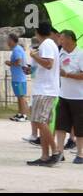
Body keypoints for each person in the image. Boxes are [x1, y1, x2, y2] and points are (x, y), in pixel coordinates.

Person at [26, 23, 61, 165]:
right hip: (47, 89)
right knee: (43, 122)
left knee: (40, 121)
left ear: (37, 32)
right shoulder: (50, 44)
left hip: (44, 90)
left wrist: (34, 56)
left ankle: (56, 151)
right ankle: (45, 155)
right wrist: (30, 68)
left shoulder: (46, 44)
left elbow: (48, 64)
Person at [55, 29, 83, 164]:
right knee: (60, 125)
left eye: (62, 38)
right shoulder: (61, 53)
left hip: (79, 97)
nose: (60, 41)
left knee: (79, 126)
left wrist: (67, 74)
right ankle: (59, 151)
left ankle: (80, 153)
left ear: (70, 40)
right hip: (63, 94)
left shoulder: (81, 54)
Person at [7, 33, 30, 122]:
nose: (7, 42)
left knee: (21, 96)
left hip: (19, 77)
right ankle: (20, 114)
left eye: (8, 40)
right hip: (17, 77)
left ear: (12, 40)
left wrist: (10, 63)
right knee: (19, 96)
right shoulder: (17, 49)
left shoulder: (16, 50)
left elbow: (19, 61)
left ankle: (24, 115)